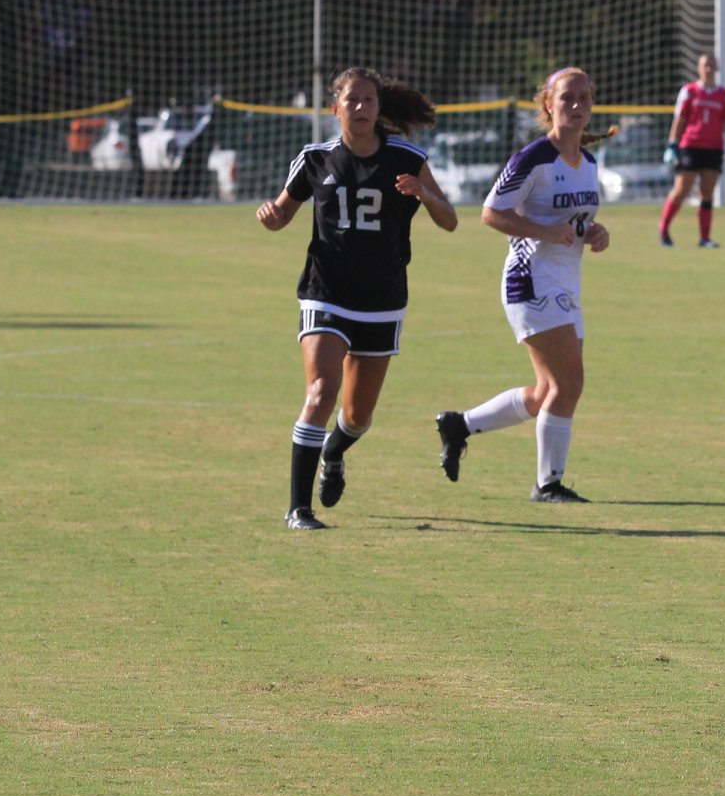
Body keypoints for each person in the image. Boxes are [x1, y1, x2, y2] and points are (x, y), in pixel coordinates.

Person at [257, 68, 458, 531]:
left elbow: (449, 220)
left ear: (379, 108)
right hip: (326, 292)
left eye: (370, 101)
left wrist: (424, 193)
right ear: (336, 109)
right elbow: (281, 215)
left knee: (358, 415)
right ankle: (298, 509)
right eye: (354, 101)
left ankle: (335, 451)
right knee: (321, 391)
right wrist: (269, 214)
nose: (363, 108)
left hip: (383, 298)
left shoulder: (406, 157)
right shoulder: (314, 158)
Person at [437, 68, 611, 503]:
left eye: (584, 98)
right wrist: (545, 232)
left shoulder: (588, 163)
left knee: (548, 391)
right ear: (548, 104)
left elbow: (575, 222)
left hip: (566, 282)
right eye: (567, 98)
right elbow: (492, 213)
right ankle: (547, 484)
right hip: (529, 281)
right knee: (568, 384)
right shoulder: (533, 158)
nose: (577, 105)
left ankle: (460, 425)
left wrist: (594, 232)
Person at [658, 53, 725, 248]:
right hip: (690, 147)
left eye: (711, 65)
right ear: (699, 68)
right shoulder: (689, 91)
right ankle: (664, 228)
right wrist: (672, 145)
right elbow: (680, 119)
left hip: (714, 149)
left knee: (707, 192)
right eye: (705, 65)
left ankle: (705, 238)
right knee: (682, 189)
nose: (708, 69)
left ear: (717, 68)